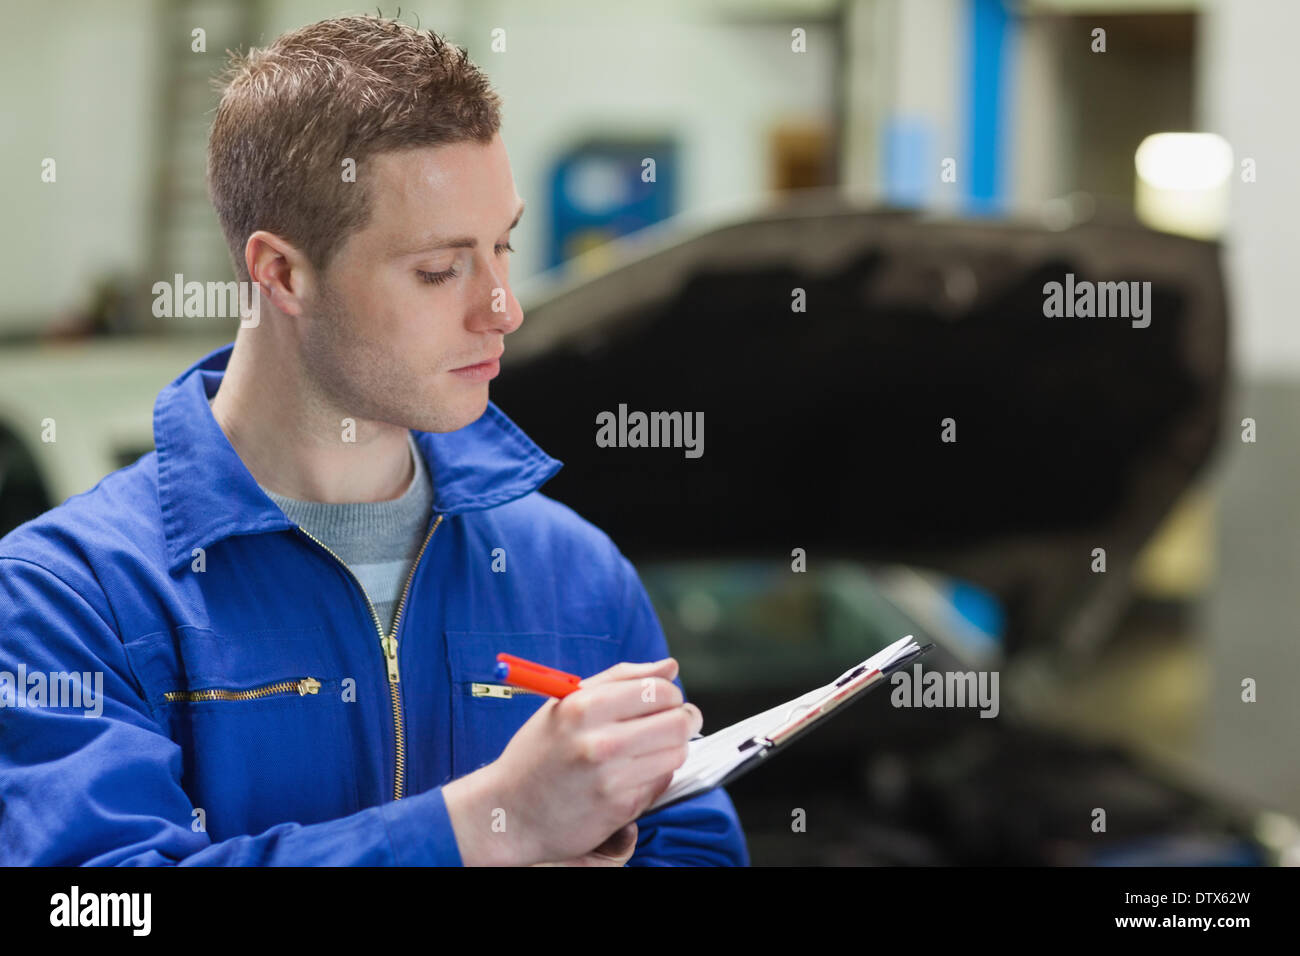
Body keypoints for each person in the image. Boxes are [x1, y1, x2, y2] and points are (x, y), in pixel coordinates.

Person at [0, 14, 747, 866]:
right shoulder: (68, 600)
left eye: (502, 246)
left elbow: (691, 849)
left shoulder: (574, 575)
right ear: (282, 273)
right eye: (439, 269)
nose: (504, 309)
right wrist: (485, 824)